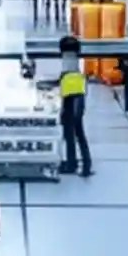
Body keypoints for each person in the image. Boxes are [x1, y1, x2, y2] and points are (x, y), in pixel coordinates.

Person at [58, 35, 92, 176]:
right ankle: (85, 163)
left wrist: (62, 112)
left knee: (70, 133)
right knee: (78, 132)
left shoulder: (67, 73)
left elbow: (65, 93)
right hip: (78, 98)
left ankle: (72, 164)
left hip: (70, 100)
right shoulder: (78, 71)